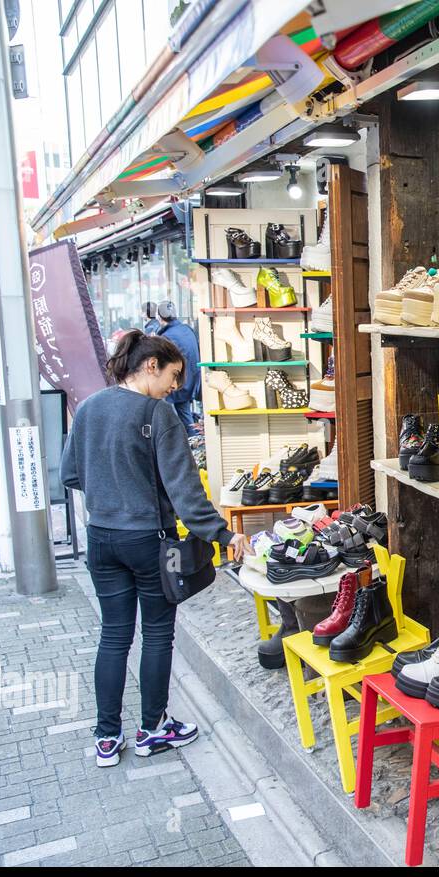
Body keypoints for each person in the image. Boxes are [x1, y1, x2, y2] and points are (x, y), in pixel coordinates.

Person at [61, 330, 251, 768]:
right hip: (149, 541)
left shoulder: (89, 407)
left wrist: (111, 491)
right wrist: (225, 535)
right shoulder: (158, 413)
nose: (176, 386)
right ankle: (153, 729)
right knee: (158, 634)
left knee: (113, 636)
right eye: (173, 375)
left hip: (101, 538)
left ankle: (107, 737)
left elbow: (70, 475)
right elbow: (186, 493)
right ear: (150, 366)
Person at [151, 300, 201, 430]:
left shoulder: (166, 337)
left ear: (159, 317)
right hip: (194, 382)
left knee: (176, 418)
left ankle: (191, 443)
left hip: (180, 385)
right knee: (185, 415)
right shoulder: (187, 329)